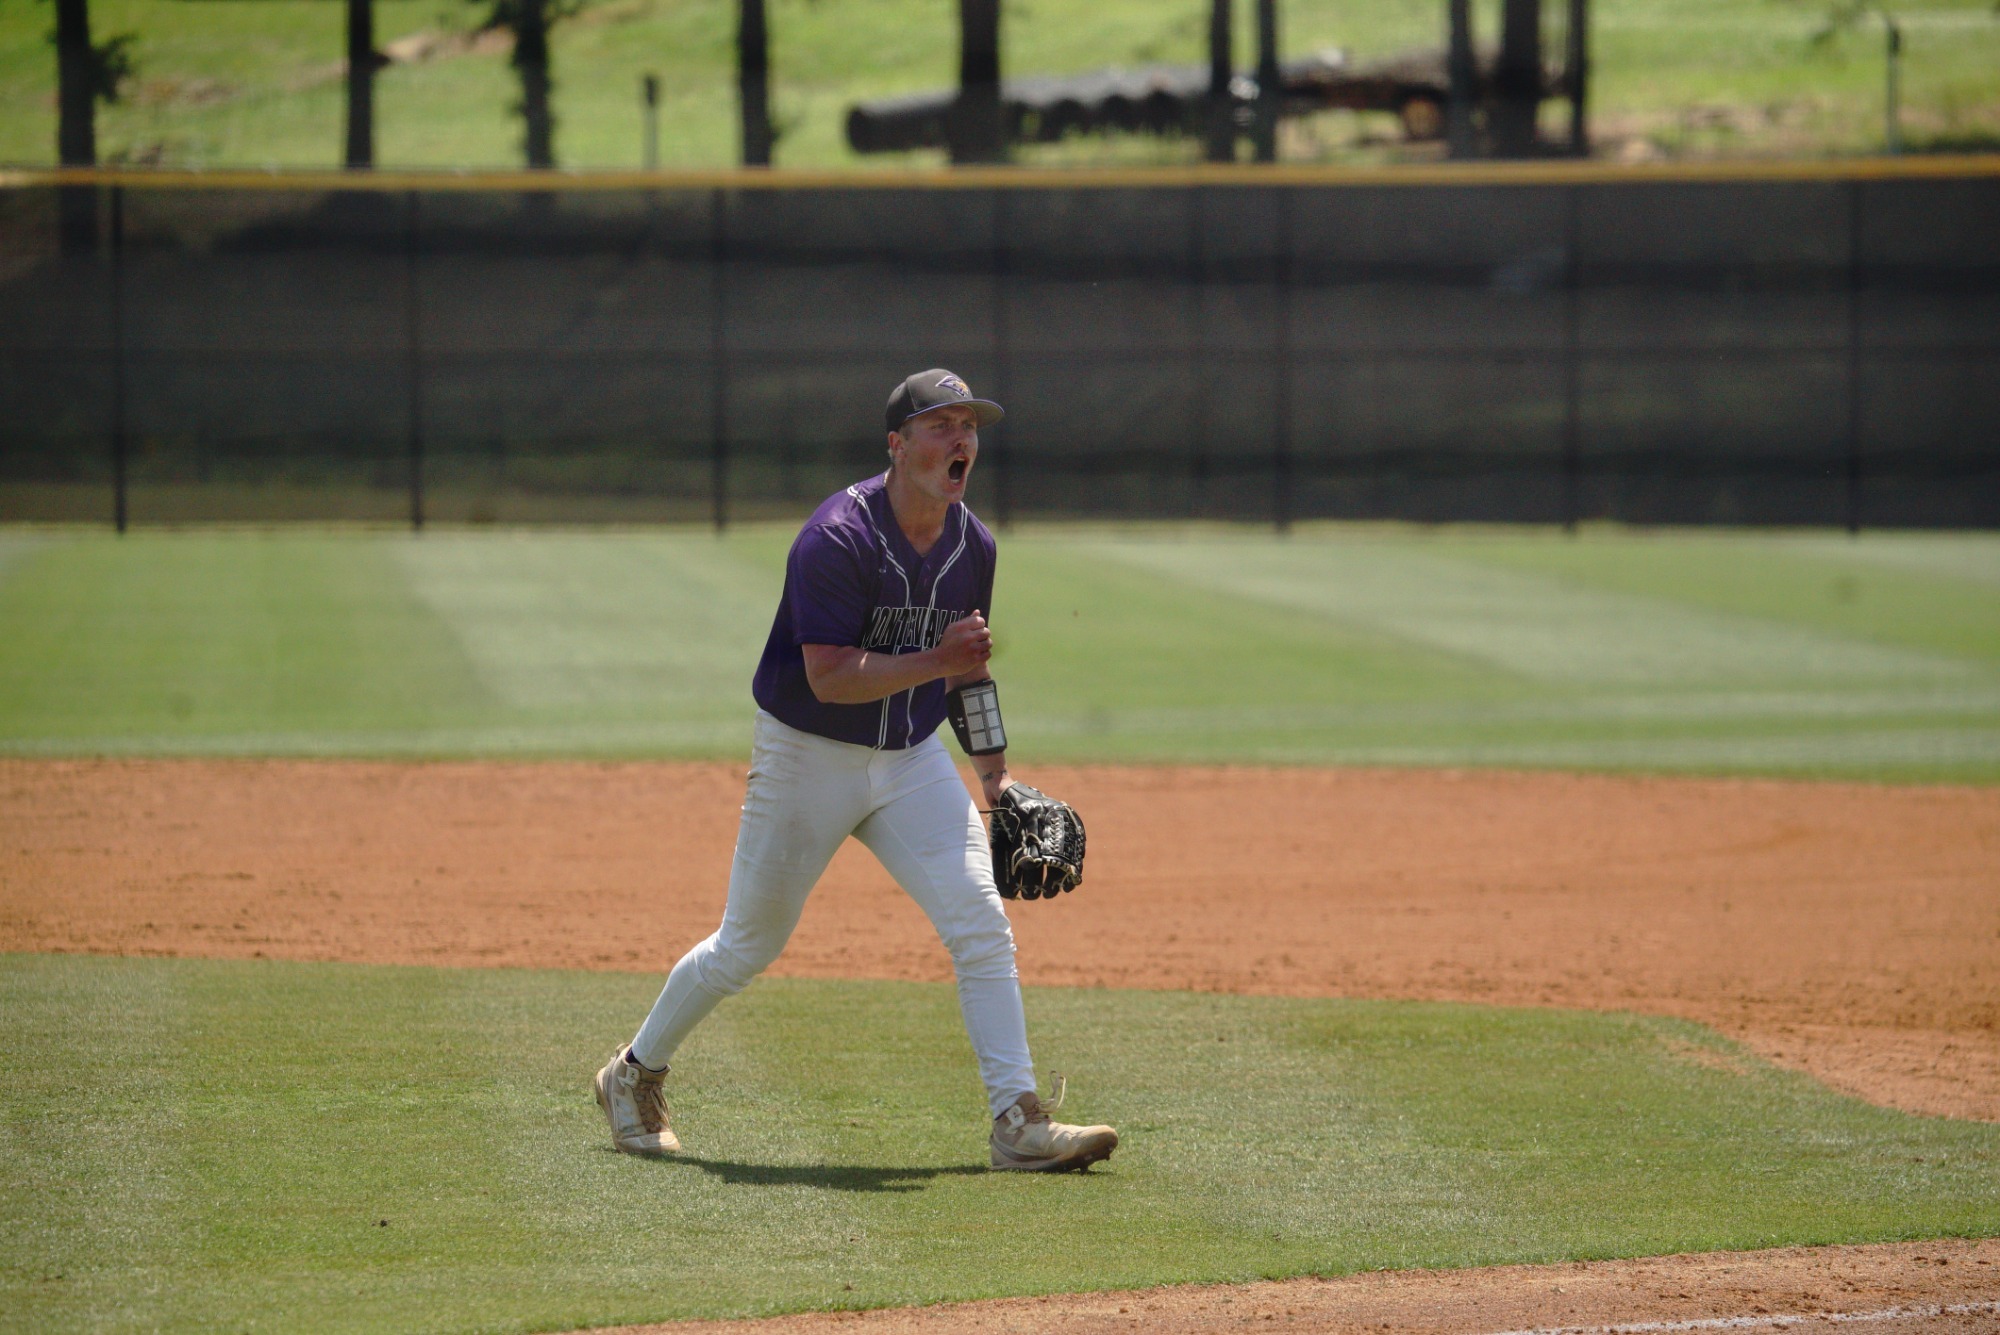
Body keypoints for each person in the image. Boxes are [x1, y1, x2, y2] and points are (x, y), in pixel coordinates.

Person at [595, 368, 1118, 1173]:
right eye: (941, 425)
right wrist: (936, 659)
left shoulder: (972, 545)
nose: (961, 440)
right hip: (810, 753)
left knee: (980, 919)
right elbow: (830, 677)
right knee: (748, 943)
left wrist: (996, 777)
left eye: (969, 426)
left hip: (910, 759)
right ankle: (633, 1074)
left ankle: (1018, 1119)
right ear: (898, 444)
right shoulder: (836, 537)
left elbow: (967, 669)